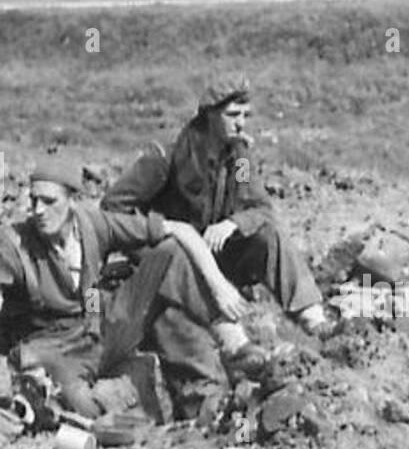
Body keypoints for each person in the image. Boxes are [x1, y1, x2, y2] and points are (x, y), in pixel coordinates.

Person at [0, 158, 260, 419]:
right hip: (55, 348)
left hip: (100, 324)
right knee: (82, 411)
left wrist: (220, 288)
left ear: (72, 201)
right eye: (33, 201)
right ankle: (130, 385)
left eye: (49, 202)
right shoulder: (12, 246)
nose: (37, 210)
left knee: (169, 255)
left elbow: (178, 230)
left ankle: (233, 356)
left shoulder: (92, 223)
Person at [102, 74, 331, 342]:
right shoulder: (168, 156)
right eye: (232, 114)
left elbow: (259, 207)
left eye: (245, 115)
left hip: (218, 251)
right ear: (210, 115)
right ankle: (235, 343)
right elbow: (113, 206)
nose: (241, 123)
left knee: (270, 236)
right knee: (176, 254)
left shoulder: (239, 158)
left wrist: (232, 224)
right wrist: (157, 232)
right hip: (175, 260)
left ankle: (315, 321)